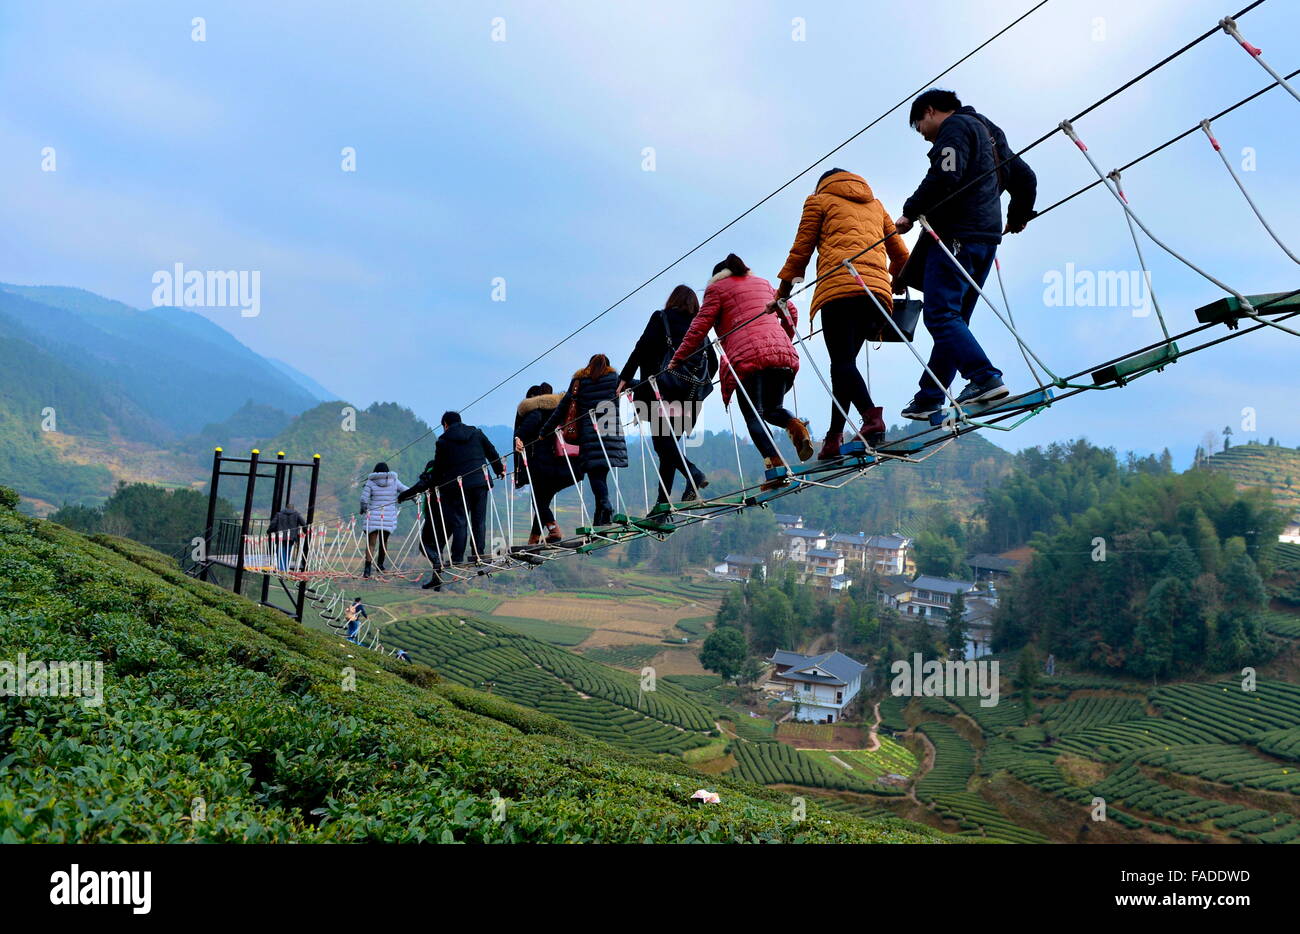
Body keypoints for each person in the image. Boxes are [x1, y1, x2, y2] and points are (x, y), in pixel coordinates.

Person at [894, 88, 1037, 420]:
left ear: (929, 111)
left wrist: (910, 212)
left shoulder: (955, 127)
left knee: (940, 315)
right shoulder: (990, 132)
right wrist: (1017, 216)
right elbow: (1025, 177)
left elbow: (945, 175)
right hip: (986, 239)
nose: (924, 138)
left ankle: (985, 378)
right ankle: (931, 395)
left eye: (919, 127)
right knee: (954, 319)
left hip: (955, 234)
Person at [775, 168, 910, 457]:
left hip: (840, 291)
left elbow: (801, 251)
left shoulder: (818, 201)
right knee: (844, 366)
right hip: (876, 296)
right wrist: (895, 281)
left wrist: (781, 296)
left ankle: (872, 418)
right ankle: (835, 437)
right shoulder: (876, 205)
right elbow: (900, 253)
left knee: (841, 364)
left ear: (823, 184)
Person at [668, 254, 811, 490]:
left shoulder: (717, 290)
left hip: (750, 359)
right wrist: (783, 340)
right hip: (782, 355)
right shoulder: (764, 283)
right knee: (771, 409)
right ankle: (796, 427)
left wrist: (678, 358)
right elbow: (791, 311)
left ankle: (775, 468)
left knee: (753, 415)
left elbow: (699, 327)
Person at [617, 285, 716, 504]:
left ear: (673, 300)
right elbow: (713, 362)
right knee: (668, 449)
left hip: (664, 395)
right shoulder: (700, 327)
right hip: (690, 399)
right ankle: (663, 505)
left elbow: (641, 348)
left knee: (663, 446)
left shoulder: (662, 318)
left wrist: (625, 377)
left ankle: (693, 473)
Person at [398, 412, 504, 587]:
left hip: (459, 488)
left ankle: (457, 558)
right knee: (479, 520)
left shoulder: (443, 441)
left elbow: (438, 470)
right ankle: (478, 552)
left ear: (445, 424)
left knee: (460, 522)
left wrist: (431, 484)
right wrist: (499, 469)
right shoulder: (476, 433)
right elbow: (492, 452)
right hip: (480, 483)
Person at [541, 354, 628, 526]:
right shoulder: (614, 379)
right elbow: (635, 383)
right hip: (610, 432)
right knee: (600, 474)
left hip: (590, 435)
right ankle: (600, 519)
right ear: (607, 366)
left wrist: (545, 431)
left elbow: (562, 407)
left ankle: (605, 506)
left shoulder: (580, 382)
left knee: (595, 474)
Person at [513, 382, 581, 544]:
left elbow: (528, 426)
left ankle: (553, 529)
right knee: (541, 501)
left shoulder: (537, 411)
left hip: (541, 465)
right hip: (565, 464)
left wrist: (518, 437)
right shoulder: (561, 410)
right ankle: (534, 538)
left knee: (538, 501)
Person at [359, 462, 407, 578]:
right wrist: (415, 499)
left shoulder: (370, 482)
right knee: (384, 542)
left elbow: (364, 499)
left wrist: (363, 509)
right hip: (388, 516)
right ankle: (380, 566)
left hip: (373, 516)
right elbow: (406, 490)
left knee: (371, 543)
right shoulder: (395, 481)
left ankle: (367, 570)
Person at [267, 501, 307, 571]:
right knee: (288, 552)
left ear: (285, 508)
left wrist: (269, 531)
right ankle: (285, 568)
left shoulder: (279, 515)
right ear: (293, 509)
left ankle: (281, 569)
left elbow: (273, 524)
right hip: (291, 537)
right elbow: (304, 524)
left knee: (281, 552)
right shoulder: (296, 515)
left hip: (280, 537)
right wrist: (305, 531)